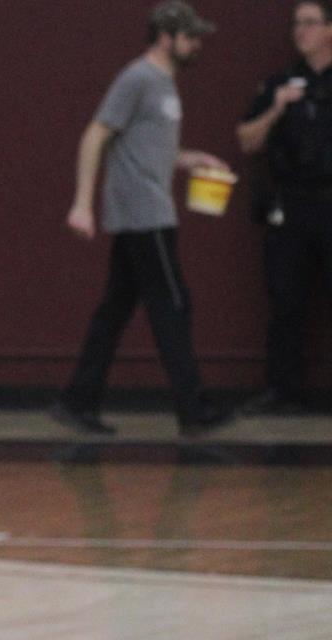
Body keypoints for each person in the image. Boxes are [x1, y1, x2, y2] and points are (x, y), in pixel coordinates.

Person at [53, 2, 234, 442]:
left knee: (115, 310)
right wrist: (82, 203)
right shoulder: (137, 78)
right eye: (190, 37)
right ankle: (194, 411)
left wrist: (190, 160)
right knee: (173, 306)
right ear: (165, 37)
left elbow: (149, 150)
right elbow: (95, 134)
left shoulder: (166, 85)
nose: (196, 45)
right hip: (144, 214)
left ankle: (78, 401)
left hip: (150, 209)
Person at [237, 0, 332, 415]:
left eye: (310, 23)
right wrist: (276, 109)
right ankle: (283, 390)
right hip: (290, 205)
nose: (300, 31)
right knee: (285, 297)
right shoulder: (280, 83)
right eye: (296, 23)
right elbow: (246, 141)